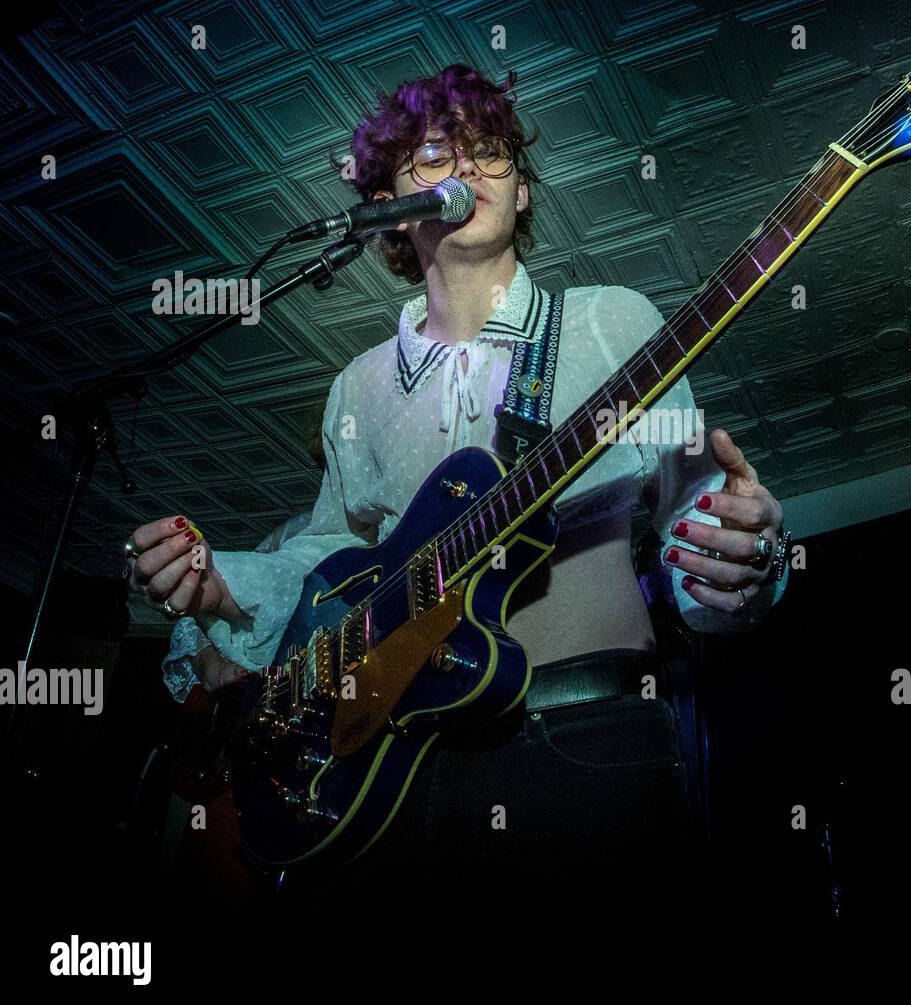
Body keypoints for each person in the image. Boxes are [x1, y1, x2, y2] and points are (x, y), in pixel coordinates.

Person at [124, 64, 791, 919]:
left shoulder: (611, 320)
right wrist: (224, 587)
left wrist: (741, 545)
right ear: (392, 204)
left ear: (521, 192)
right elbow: (334, 563)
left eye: (489, 152)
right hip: (397, 770)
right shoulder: (357, 389)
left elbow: (694, 517)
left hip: (580, 741)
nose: (466, 169)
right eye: (433, 155)